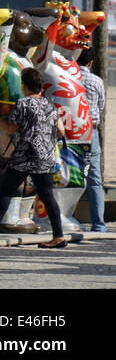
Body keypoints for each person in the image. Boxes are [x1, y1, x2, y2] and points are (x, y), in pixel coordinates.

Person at [0, 67, 67, 248]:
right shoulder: (50, 105)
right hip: (45, 156)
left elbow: (10, 128)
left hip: (24, 155)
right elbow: (61, 131)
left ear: (24, 85)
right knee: (47, 196)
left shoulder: (22, 104)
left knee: (6, 189)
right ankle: (59, 236)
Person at [77, 48, 106, 232]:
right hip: (90, 130)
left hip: (70, 130)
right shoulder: (97, 81)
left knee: (66, 175)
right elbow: (101, 106)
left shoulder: (69, 77)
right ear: (91, 63)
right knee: (94, 178)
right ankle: (99, 224)